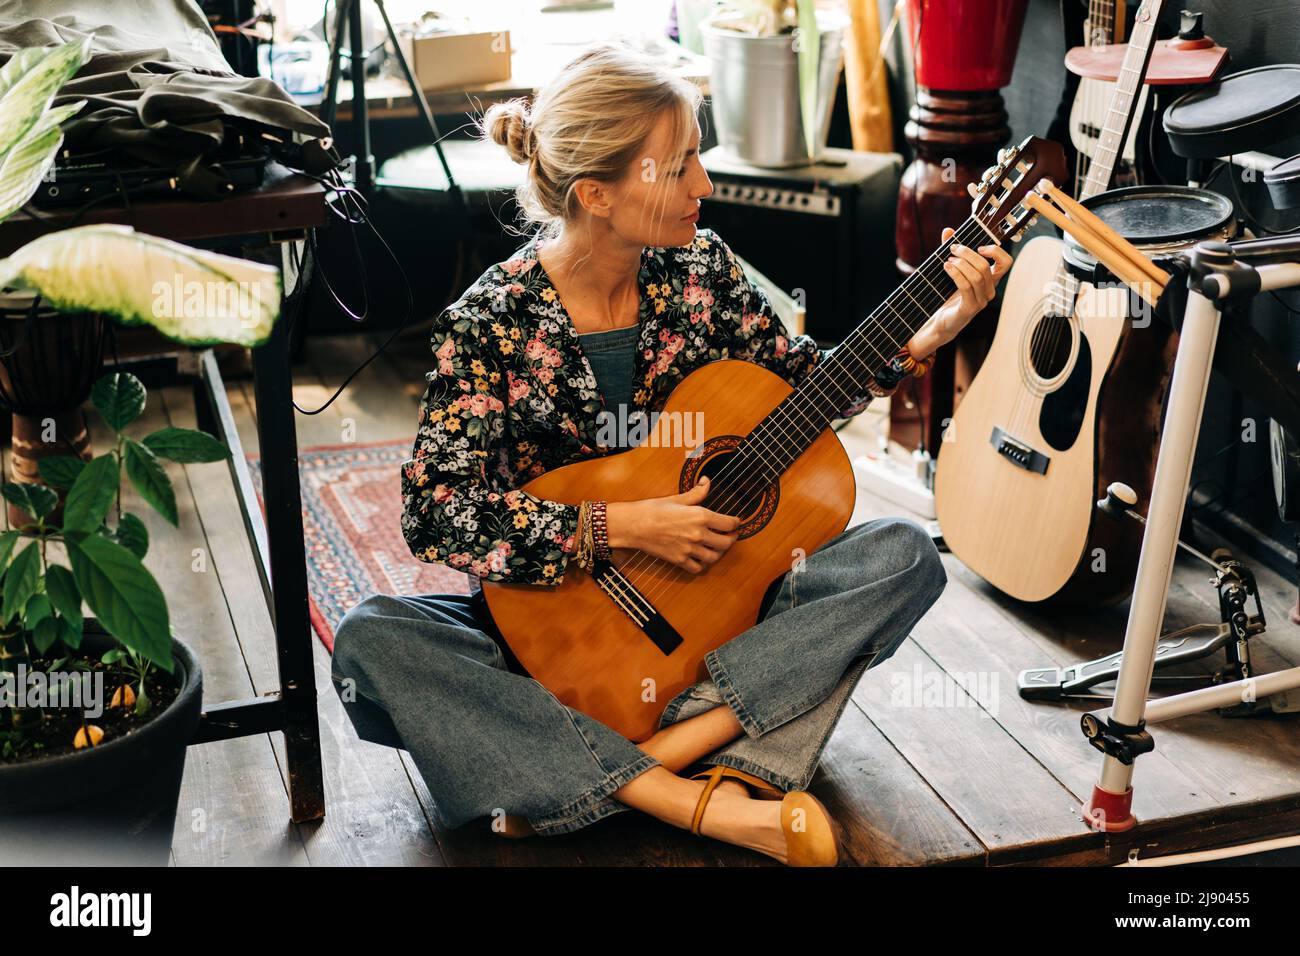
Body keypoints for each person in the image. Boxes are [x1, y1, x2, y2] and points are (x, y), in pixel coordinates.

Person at [331, 41, 1012, 866]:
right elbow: (437, 515)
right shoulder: (489, 325)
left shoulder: (704, 271)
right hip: (556, 635)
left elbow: (805, 389)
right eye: (680, 164)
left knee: (903, 556)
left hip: (713, 620)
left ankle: (613, 769)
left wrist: (930, 333)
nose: (705, 184)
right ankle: (699, 797)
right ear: (598, 195)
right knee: (373, 640)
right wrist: (619, 527)